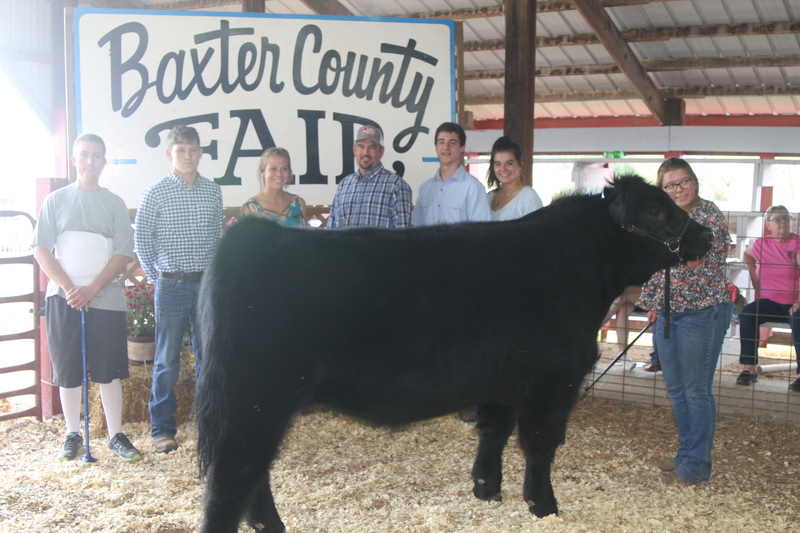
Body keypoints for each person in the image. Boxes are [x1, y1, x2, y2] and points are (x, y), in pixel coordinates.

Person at [32, 133, 142, 462]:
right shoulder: (55, 201)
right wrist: (69, 288)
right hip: (63, 299)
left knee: (108, 369)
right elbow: (41, 250)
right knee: (68, 368)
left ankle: (115, 434)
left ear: (104, 161)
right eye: (84, 155)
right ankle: (71, 434)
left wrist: (92, 289)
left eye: (96, 156)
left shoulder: (113, 204)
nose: (90, 161)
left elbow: (123, 252)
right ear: (74, 159)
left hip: (105, 299)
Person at [637, 157, 732, 484]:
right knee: (677, 389)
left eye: (683, 182)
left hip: (702, 311)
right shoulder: (664, 220)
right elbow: (656, 265)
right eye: (670, 185)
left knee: (696, 390)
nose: (678, 189)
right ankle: (686, 454)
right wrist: (653, 302)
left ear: (694, 182)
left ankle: (696, 466)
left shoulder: (709, 215)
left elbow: (696, 264)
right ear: (662, 190)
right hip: (668, 313)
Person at [135, 125, 223, 454]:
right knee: (167, 361)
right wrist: (158, 278)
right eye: (180, 150)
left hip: (205, 286)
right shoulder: (155, 193)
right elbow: (142, 240)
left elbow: (216, 242)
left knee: (208, 359)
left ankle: (208, 425)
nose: (187, 156)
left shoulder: (213, 192)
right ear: (169, 153)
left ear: (201, 153)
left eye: (192, 150)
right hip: (170, 284)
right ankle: (162, 429)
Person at [735, 205, 800, 391]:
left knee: (799, 319)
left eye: (786, 218)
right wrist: (755, 277)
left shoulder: (797, 242)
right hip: (770, 301)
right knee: (748, 313)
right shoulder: (762, 243)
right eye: (778, 219)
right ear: (768, 224)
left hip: (795, 302)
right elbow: (747, 255)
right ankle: (749, 368)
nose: (783, 222)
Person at [327, 125, 412, 228]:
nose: (365, 153)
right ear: (354, 149)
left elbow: (402, 236)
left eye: (372, 147)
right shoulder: (343, 185)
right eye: (361, 146)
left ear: (381, 151)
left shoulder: (397, 185)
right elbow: (331, 231)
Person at [411, 122, 491, 226]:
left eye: (452, 143)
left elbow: (482, 232)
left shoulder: (473, 188)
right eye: (441, 142)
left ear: (462, 148)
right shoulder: (425, 188)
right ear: (436, 146)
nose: (446, 147)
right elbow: (417, 228)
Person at [241, 147, 308, 226]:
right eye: (273, 169)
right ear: (262, 171)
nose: (279, 174)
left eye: (284, 169)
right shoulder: (249, 209)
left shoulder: (299, 204)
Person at [485, 136, 542, 221]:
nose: (503, 169)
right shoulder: (489, 196)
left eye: (509, 163)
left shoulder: (529, 197)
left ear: (520, 165)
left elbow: (538, 231)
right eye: (498, 164)